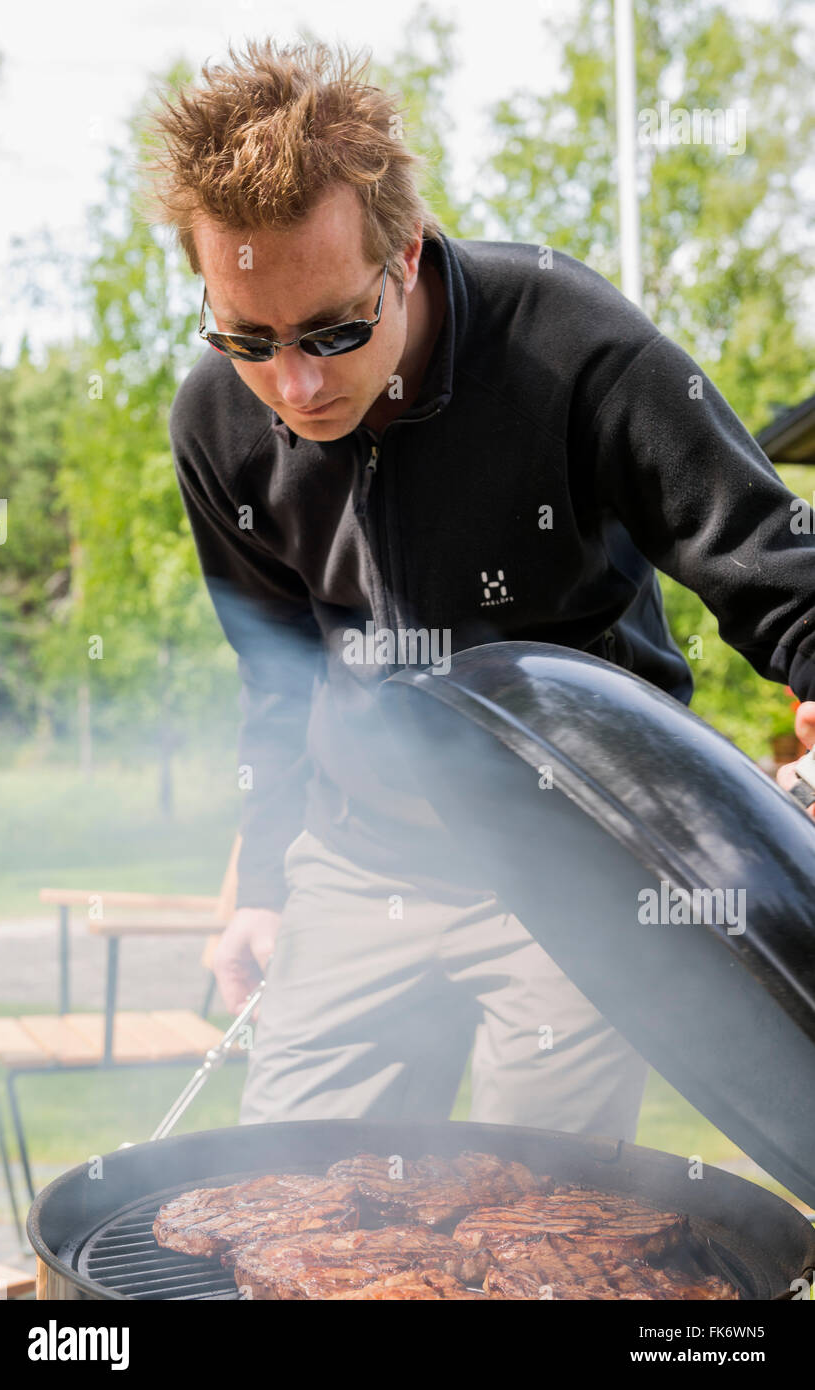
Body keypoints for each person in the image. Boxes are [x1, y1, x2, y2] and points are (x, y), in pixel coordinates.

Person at [144, 36, 815, 1138]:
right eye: (249, 338)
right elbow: (276, 677)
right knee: (291, 1206)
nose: (295, 385)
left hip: (579, 873)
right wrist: (263, 881)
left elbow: (770, 557)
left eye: (334, 330)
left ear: (405, 252)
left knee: (543, 1230)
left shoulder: (571, 342)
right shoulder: (216, 420)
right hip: (358, 864)